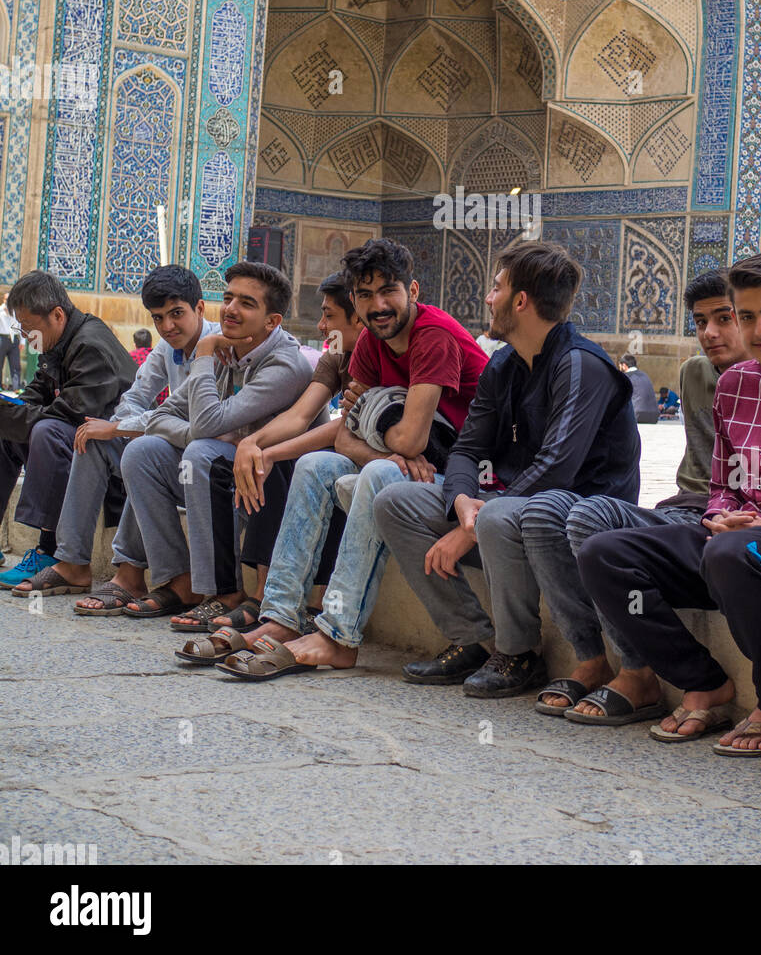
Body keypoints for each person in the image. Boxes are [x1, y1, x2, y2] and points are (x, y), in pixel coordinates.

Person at [577, 252, 761, 753]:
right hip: (729, 546)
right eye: (747, 316)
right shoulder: (732, 384)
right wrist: (719, 514)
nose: (760, 329)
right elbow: (722, 482)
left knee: (733, 553)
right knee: (604, 553)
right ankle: (703, 681)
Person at [373, 239, 641, 701]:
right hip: (505, 512)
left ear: (521, 300)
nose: (487, 298)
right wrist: (460, 501)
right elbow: (467, 448)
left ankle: (518, 653)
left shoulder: (581, 365)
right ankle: (470, 639)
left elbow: (556, 468)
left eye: (496, 288)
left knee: (497, 516)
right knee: (395, 500)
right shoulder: (505, 364)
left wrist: (471, 527)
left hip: (572, 517)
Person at [213, 238, 489, 680]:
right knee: (315, 465)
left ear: (413, 292)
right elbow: (344, 439)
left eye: (388, 292)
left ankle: (339, 636)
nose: (378, 305)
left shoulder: (432, 336)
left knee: (380, 471)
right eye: (365, 295)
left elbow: (413, 440)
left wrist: (388, 440)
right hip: (417, 466)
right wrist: (260, 446)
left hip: (467, 476)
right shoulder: (369, 344)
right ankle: (282, 615)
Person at [562, 269, 749, 721]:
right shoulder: (696, 374)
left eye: (725, 319)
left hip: (738, 529)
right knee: (579, 518)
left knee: (593, 528)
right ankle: (628, 667)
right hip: (687, 511)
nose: (710, 332)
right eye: (701, 322)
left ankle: (645, 673)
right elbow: (703, 473)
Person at [109, 261, 311, 624]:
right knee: (141, 453)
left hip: (272, 486)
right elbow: (160, 415)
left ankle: (225, 591)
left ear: (272, 321)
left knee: (202, 453)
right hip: (226, 477)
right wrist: (200, 433)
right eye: (229, 298)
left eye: (247, 303)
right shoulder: (225, 348)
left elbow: (207, 423)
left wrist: (202, 355)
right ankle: (179, 582)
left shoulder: (285, 364)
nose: (231, 309)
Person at [174, 271, 365, 648]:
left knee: (312, 466)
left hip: (361, 457)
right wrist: (255, 444)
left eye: (328, 316)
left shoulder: (301, 361)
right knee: (264, 459)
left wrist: (259, 446)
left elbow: (336, 431)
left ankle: (301, 604)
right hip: (326, 451)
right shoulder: (334, 358)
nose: (320, 325)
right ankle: (254, 596)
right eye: (228, 299)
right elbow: (298, 418)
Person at [10, 266, 220, 606]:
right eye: (158, 318)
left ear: (199, 309)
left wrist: (120, 428)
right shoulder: (166, 349)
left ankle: (132, 575)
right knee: (92, 438)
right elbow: (135, 397)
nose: (167, 327)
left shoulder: (217, 346)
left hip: (202, 462)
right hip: (173, 449)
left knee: (143, 449)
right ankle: (72, 562)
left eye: (176, 314)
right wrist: (114, 427)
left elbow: (199, 419)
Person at [0, 272, 136, 589]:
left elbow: (70, 414)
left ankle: (50, 552)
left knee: (47, 431)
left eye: (28, 327)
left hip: (115, 451)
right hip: (77, 439)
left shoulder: (90, 345)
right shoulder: (59, 341)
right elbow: (37, 395)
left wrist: (14, 414)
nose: (24, 335)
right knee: (7, 433)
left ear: (57, 315)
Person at [618, 353, 658, 423]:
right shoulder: (645, 375)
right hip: (654, 416)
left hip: (637, 415)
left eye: (620, 366)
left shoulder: (626, 377)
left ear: (624, 365)